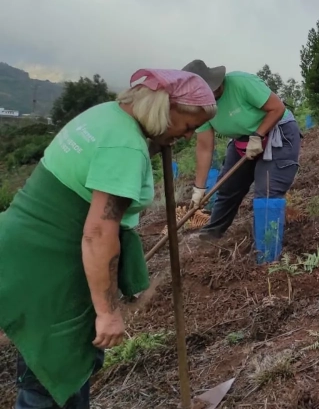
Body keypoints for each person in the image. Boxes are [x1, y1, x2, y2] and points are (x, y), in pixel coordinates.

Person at [0, 69, 217, 409]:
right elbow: (99, 232)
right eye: (188, 126)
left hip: (23, 249)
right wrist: (107, 312)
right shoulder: (125, 146)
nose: (189, 136)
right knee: (51, 375)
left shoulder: (107, 115)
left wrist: (158, 139)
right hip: (49, 267)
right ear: (164, 107)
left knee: (59, 371)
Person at [182, 60, 301, 240]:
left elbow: (277, 108)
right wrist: (199, 189)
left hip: (277, 131)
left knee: (267, 189)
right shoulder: (202, 107)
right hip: (242, 140)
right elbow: (205, 147)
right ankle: (211, 235)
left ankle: (267, 248)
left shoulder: (241, 83)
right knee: (228, 186)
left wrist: (258, 135)